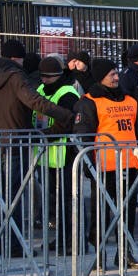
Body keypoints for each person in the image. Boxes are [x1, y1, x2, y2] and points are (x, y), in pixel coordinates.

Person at [0, 39, 75, 256]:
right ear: (16, 58)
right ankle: (13, 246)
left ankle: (0, 242)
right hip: (16, 141)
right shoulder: (16, 76)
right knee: (14, 195)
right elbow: (34, 101)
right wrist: (65, 115)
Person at [74, 58, 138, 269]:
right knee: (100, 211)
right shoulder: (89, 102)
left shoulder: (130, 100)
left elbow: (136, 130)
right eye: (111, 74)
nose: (116, 77)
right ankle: (99, 255)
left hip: (128, 164)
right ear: (100, 77)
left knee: (127, 211)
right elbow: (83, 135)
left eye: (116, 73)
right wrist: (88, 165)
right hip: (103, 167)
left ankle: (124, 252)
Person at [33, 56, 81, 254]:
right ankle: (62, 238)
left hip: (65, 154)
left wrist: (41, 136)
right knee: (57, 202)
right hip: (48, 156)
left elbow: (67, 124)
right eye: (42, 77)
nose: (44, 80)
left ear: (58, 76)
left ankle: (73, 241)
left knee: (69, 200)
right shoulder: (41, 90)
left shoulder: (67, 93)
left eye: (48, 77)